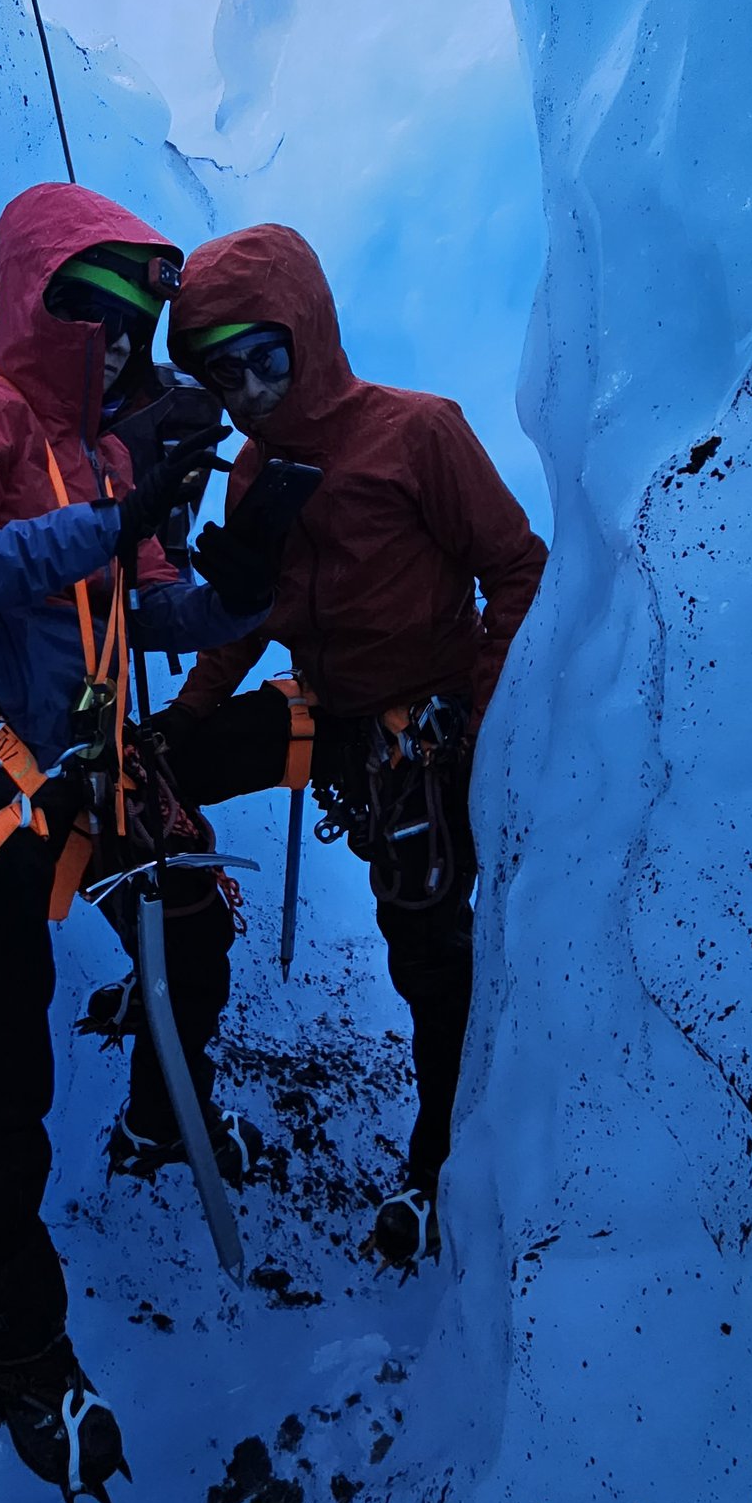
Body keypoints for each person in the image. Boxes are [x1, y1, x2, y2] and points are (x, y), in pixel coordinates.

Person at [0, 181, 278, 1503]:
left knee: (195, 927)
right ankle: (18, 1348)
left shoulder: (119, 455)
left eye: (131, 328)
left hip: (91, 762)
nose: (114, 348)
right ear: (41, 307)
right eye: (93, 318)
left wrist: (242, 587)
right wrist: (112, 523)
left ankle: (162, 1131)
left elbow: (158, 610)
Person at [155, 223, 547, 1267]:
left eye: (263, 356)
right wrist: (183, 721)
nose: (244, 388)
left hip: (424, 725)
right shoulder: (251, 476)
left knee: (426, 950)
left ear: (310, 331)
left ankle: (436, 1165)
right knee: (150, 782)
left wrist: (480, 715)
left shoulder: (420, 434)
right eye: (218, 368)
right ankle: (164, 1073)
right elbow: (245, 613)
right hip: (322, 710)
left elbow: (516, 566)